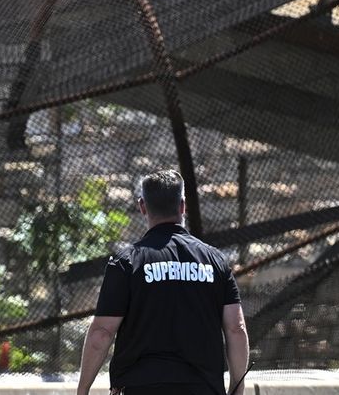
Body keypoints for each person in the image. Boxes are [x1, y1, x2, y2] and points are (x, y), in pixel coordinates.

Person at [77, 169, 249, 395]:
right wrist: (237, 387)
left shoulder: (127, 263)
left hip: (141, 387)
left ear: (142, 207)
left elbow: (102, 333)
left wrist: (82, 391)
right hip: (202, 388)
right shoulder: (215, 261)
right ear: (183, 206)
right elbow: (236, 329)